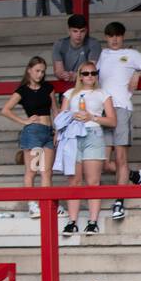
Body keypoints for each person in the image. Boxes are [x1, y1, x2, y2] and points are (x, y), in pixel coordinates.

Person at [96, 22, 141, 222]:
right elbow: (90, 76)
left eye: (118, 36)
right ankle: (135, 176)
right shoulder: (101, 55)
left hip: (122, 108)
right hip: (103, 109)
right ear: (106, 37)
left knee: (121, 159)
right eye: (111, 36)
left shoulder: (132, 54)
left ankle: (119, 201)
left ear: (123, 37)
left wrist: (138, 73)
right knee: (103, 163)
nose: (114, 39)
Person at [57, 60, 115, 235]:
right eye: (85, 73)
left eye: (93, 73)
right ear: (80, 76)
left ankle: (92, 221)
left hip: (93, 134)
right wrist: (71, 117)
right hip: (72, 136)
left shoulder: (103, 93)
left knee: (93, 182)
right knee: (74, 181)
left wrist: (92, 117)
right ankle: (72, 221)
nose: (90, 76)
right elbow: (61, 118)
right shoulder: (69, 94)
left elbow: (112, 121)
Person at [1, 56, 56, 219]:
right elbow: (5, 109)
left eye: (43, 71)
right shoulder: (23, 90)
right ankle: (32, 205)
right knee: (32, 170)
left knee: (46, 172)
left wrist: (58, 130)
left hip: (48, 131)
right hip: (33, 132)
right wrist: (24, 121)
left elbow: (55, 110)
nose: (40, 74)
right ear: (29, 70)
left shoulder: (48, 88)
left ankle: (46, 204)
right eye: (37, 71)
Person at [52, 13, 100, 84]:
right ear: (68, 31)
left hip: (88, 85)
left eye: (82, 31)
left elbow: (92, 70)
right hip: (66, 85)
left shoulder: (93, 44)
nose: (79, 35)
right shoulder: (59, 45)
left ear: (86, 31)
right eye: (75, 31)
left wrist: (77, 75)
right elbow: (58, 71)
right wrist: (64, 75)